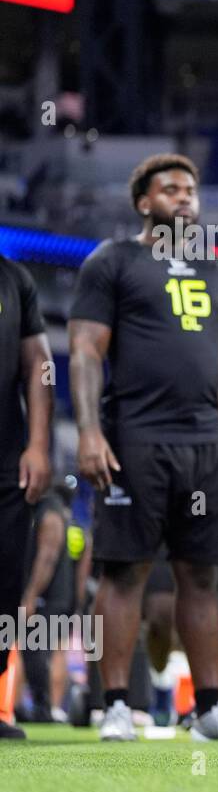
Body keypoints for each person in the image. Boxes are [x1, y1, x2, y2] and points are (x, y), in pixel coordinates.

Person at [69, 153, 218, 742]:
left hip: (205, 445)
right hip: (134, 438)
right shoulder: (112, 261)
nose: (184, 198)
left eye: (190, 190)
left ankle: (208, 709)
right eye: (170, 190)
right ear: (144, 202)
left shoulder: (216, 271)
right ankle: (115, 705)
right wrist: (89, 431)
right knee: (124, 573)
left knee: (202, 576)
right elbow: (84, 351)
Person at [0, 251, 52, 740]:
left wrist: (38, 444)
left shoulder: (14, 278)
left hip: (6, 457)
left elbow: (39, 363)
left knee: (4, 578)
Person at [19, 476, 76, 724]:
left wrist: (30, 596)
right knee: (48, 651)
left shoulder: (49, 511)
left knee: (36, 652)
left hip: (47, 598)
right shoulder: (55, 512)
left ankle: (45, 706)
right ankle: (45, 706)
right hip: (58, 597)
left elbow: (47, 557)